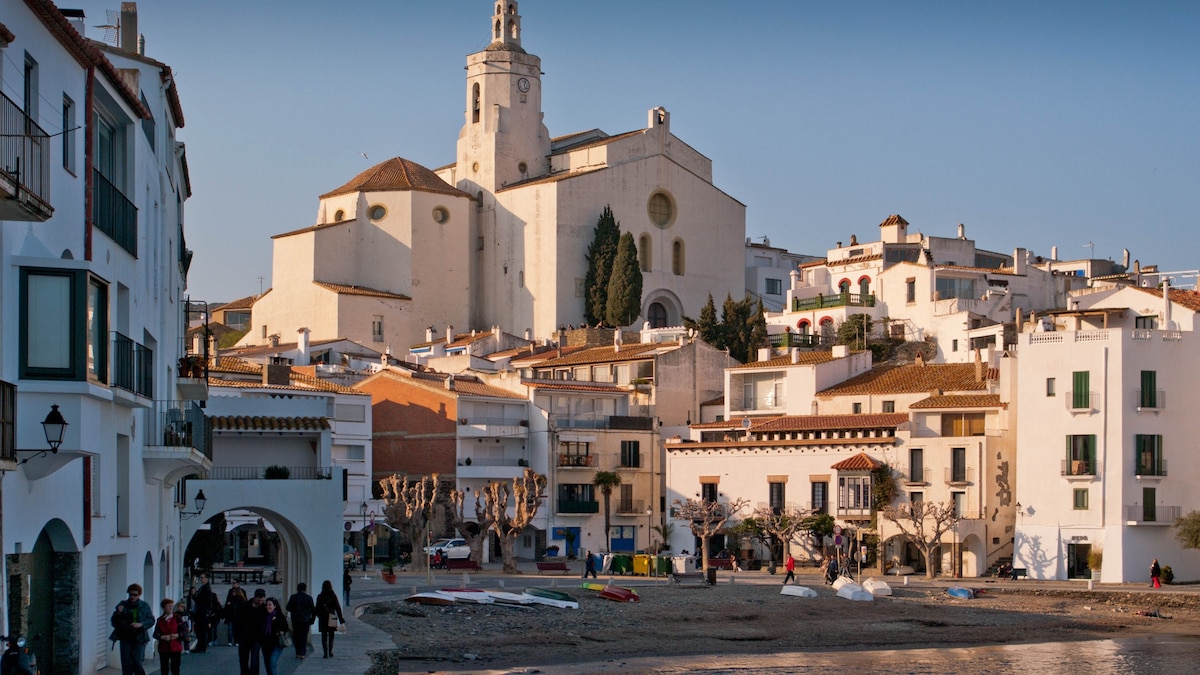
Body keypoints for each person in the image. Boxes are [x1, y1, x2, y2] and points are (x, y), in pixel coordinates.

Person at [110, 583, 153, 675]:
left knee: (137, 661)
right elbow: (114, 622)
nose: (132, 597)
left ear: (139, 595)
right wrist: (118, 613)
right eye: (131, 594)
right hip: (126, 636)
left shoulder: (144, 606)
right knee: (126, 663)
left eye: (135, 595)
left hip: (140, 637)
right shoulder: (122, 605)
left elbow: (151, 620)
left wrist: (141, 624)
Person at [234, 588, 267, 675]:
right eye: (259, 600)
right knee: (243, 659)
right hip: (244, 636)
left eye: (262, 600)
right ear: (255, 598)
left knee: (255, 659)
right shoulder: (245, 606)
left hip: (257, 637)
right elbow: (237, 620)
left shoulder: (263, 608)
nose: (260, 602)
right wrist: (237, 635)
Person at [152, 599, 184, 675]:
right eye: (168, 606)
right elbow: (155, 634)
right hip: (164, 648)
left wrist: (177, 635)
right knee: (164, 669)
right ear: (164, 608)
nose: (170, 608)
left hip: (175, 647)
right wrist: (162, 637)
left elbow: (184, 631)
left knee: (175, 668)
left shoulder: (177, 618)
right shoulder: (160, 620)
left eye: (171, 606)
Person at [315, 579, 345, 658]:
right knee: (331, 635)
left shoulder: (320, 596)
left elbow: (317, 608)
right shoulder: (333, 596)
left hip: (323, 617)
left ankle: (325, 652)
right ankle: (330, 651)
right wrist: (341, 619)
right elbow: (337, 608)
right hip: (332, 617)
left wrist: (319, 616)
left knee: (324, 635)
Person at [284, 582, 315, 659]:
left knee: (296, 636)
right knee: (303, 637)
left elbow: (288, 608)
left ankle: (298, 652)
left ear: (297, 589)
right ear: (305, 589)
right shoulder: (308, 598)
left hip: (296, 620)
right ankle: (302, 653)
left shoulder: (293, 597)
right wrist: (312, 620)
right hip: (305, 620)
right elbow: (313, 610)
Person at [260, 597, 290, 675]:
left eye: (270, 605)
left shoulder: (279, 616)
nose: (268, 607)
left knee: (272, 661)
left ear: (275, 606)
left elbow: (285, 628)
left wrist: (275, 621)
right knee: (267, 663)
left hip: (277, 643)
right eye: (266, 605)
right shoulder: (264, 616)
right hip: (266, 643)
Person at [191, 574, 215, 652]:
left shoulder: (206, 589)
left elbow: (203, 601)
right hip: (201, 612)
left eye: (202, 578)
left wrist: (195, 595)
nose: (201, 579)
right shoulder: (203, 587)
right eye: (200, 577)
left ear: (207, 578)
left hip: (202, 612)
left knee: (201, 630)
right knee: (199, 630)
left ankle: (201, 647)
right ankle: (200, 646)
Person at [224, 580, 247, 646]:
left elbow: (244, 601)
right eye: (232, 583)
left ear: (238, 583)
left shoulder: (241, 591)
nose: (233, 584)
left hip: (239, 613)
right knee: (230, 628)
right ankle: (230, 641)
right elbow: (228, 600)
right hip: (231, 612)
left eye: (234, 583)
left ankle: (237, 641)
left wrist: (236, 596)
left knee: (237, 628)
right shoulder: (230, 591)